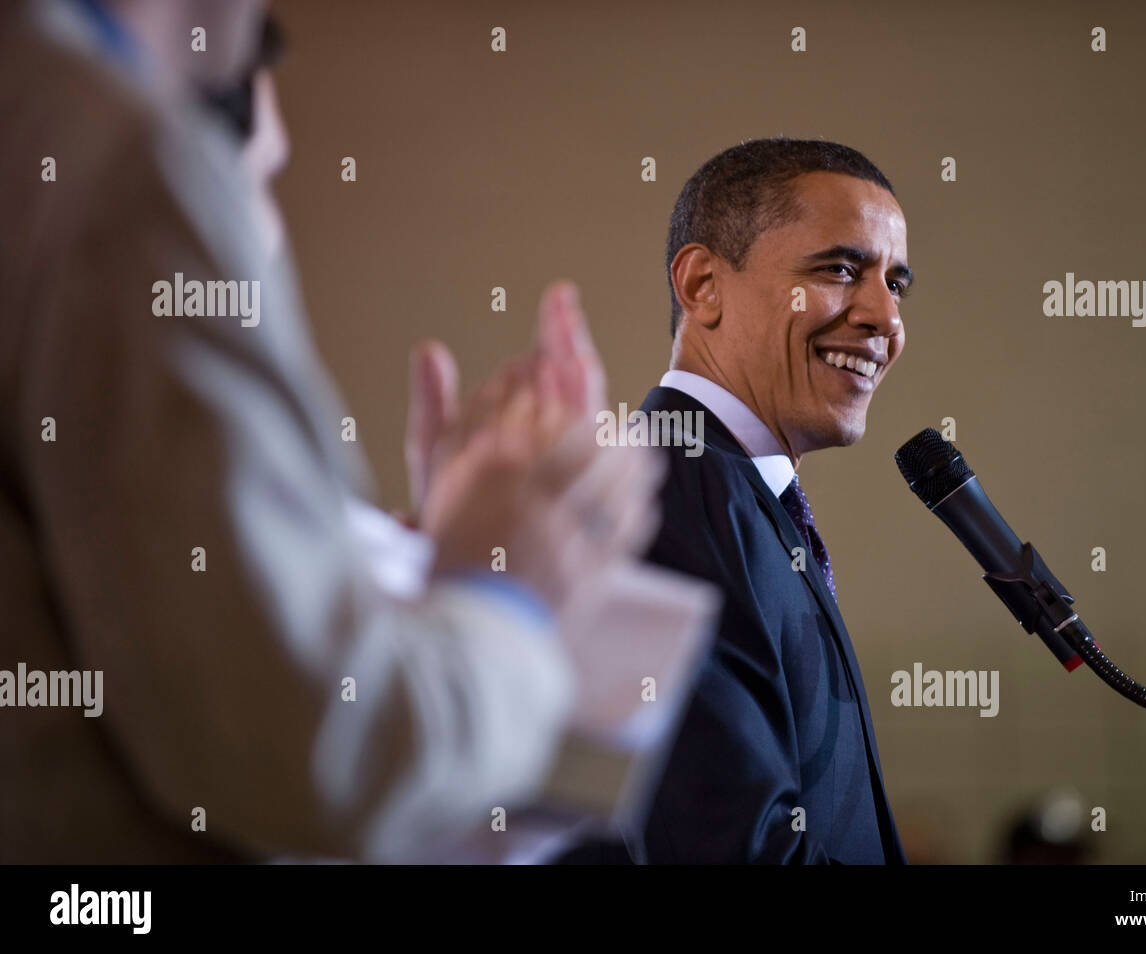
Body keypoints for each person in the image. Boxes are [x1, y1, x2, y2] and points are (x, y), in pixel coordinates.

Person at [0, 0, 662, 862]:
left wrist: (431, 567)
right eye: (251, 184)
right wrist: (510, 589)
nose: (249, 236)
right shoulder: (121, 159)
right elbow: (314, 751)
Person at [569, 138, 912, 863]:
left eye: (897, 284)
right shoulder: (676, 481)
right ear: (701, 286)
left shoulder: (731, 489)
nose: (886, 317)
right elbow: (732, 849)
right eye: (842, 269)